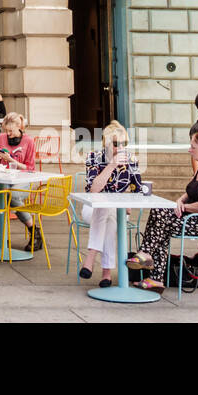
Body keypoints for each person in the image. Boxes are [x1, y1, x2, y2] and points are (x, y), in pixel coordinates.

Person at [128, 132, 198, 290]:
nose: (189, 150)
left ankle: (146, 255)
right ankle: (154, 276)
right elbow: (189, 193)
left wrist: (182, 207)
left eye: (193, 147)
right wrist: (179, 201)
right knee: (160, 218)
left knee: (162, 218)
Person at [79, 121, 141, 287]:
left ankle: (90, 260)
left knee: (110, 214)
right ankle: (106, 272)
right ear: (105, 143)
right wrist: (112, 165)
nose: (120, 147)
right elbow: (94, 190)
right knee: (105, 207)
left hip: (118, 210)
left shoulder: (131, 160)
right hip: (91, 208)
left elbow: (138, 191)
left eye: (123, 144)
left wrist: (130, 203)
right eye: (115, 143)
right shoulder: (93, 158)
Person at [0, 112, 39, 250]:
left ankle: (34, 231)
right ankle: (1, 233)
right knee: (0, 191)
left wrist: (12, 160)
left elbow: (30, 168)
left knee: (11, 195)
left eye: (11, 131)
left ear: (19, 127)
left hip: (24, 178)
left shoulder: (29, 141)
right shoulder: (1, 138)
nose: (8, 134)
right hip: (5, 177)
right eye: (6, 130)